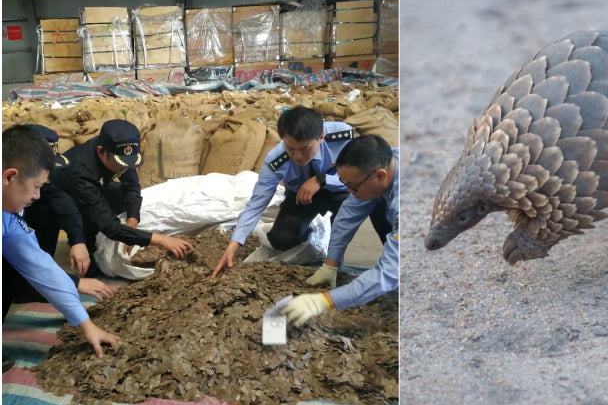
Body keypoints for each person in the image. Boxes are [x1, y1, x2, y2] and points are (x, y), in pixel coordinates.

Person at [212, 105, 389, 277]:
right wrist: (234, 245)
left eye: (305, 149)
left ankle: (358, 258)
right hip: (302, 198)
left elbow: (362, 176)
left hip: (341, 190)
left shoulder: (342, 137)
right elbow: (256, 205)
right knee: (281, 239)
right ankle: (311, 232)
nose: (297, 156)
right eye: (290, 149)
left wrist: (322, 180)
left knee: (375, 199)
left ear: (321, 137)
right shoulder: (275, 161)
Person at [2, 125, 121, 370]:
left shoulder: (9, 217)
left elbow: (40, 266)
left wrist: (86, 325)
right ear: (9, 177)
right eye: (35, 186)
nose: (37, 196)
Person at [281, 135, 398, 326]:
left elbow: (389, 273)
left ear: (380, 175)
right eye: (345, 184)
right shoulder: (387, 163)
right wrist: (331, 263)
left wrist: (324, 301)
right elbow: (348, 215)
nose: (349, 192)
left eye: (352, 186)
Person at [50, 119, 193, 274]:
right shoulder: (80, 172)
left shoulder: (118, 151)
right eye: (120, 164)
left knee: (120, 194)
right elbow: (110, 226)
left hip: (93, 189)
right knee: (89, 222)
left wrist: (132, 221)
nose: (124, 168)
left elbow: (131, 186)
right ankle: (86, 250)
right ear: (100, 151)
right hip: (60, 202)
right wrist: (162, 240)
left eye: (128, 163)